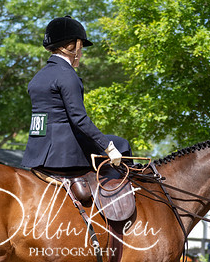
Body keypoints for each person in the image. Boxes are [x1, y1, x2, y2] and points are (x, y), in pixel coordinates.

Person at [22, 15, 131, 172]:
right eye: (81, 47)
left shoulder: (38, 77)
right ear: (72, 46)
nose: (81, 53)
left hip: (37, 151)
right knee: (121, 144)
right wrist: (108, 147)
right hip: (63, 152)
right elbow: (79, 119)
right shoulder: (67, 74)